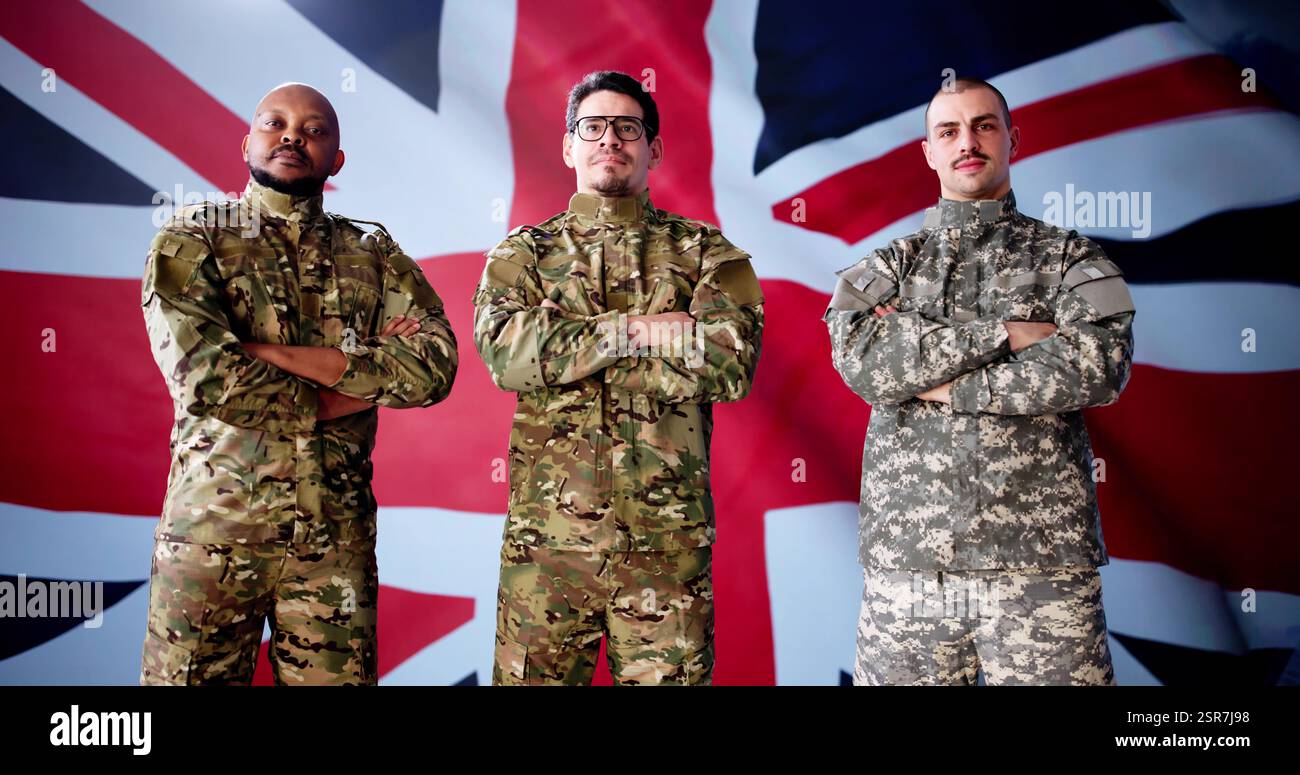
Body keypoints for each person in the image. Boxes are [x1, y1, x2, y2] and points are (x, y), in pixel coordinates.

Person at [139, 83, 457, 685]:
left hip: (334, 540)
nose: (292, 136)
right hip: (213, 534)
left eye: (314, 130)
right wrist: (347, 384)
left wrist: (269, 354)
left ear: (336, 160)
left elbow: (433, 367)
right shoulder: (195, 237)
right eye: (275, 123)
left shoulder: (373, 255)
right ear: (248, 143)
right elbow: (205, 376)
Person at [824, 77, 1135, 685]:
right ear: (929, 151)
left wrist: (946, 385)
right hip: (910, 565)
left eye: (984, 125)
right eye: (949, 131)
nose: (968, 141)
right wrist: (1010, 334)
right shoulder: (887, 267)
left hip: (1041, 566)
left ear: (1012, 139)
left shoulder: (1070, 258)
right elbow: (865, 362)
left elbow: (1098, 365)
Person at [473, 70, 764, 684]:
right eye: (594, 127)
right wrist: (644, 329)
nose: (610, 140)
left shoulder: (707, 251)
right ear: (569, 146)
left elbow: (732, 362)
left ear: (652, 148)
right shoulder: (522, 254)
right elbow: (508, 357)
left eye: (627, 128)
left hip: (666, 548)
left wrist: (570, 341)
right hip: (546, 549)